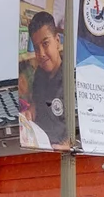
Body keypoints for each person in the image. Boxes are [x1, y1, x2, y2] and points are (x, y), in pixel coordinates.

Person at [17, 9, 67, 147]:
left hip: (61, 151)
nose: (41, 53)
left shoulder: (70, 79)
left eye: (45, 43)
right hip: (39, 146)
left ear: (57, 41)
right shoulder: (39, 74)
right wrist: (30, 112)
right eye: (36, 48)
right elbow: (37, 103)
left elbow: (81, 126)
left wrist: (67, 146)